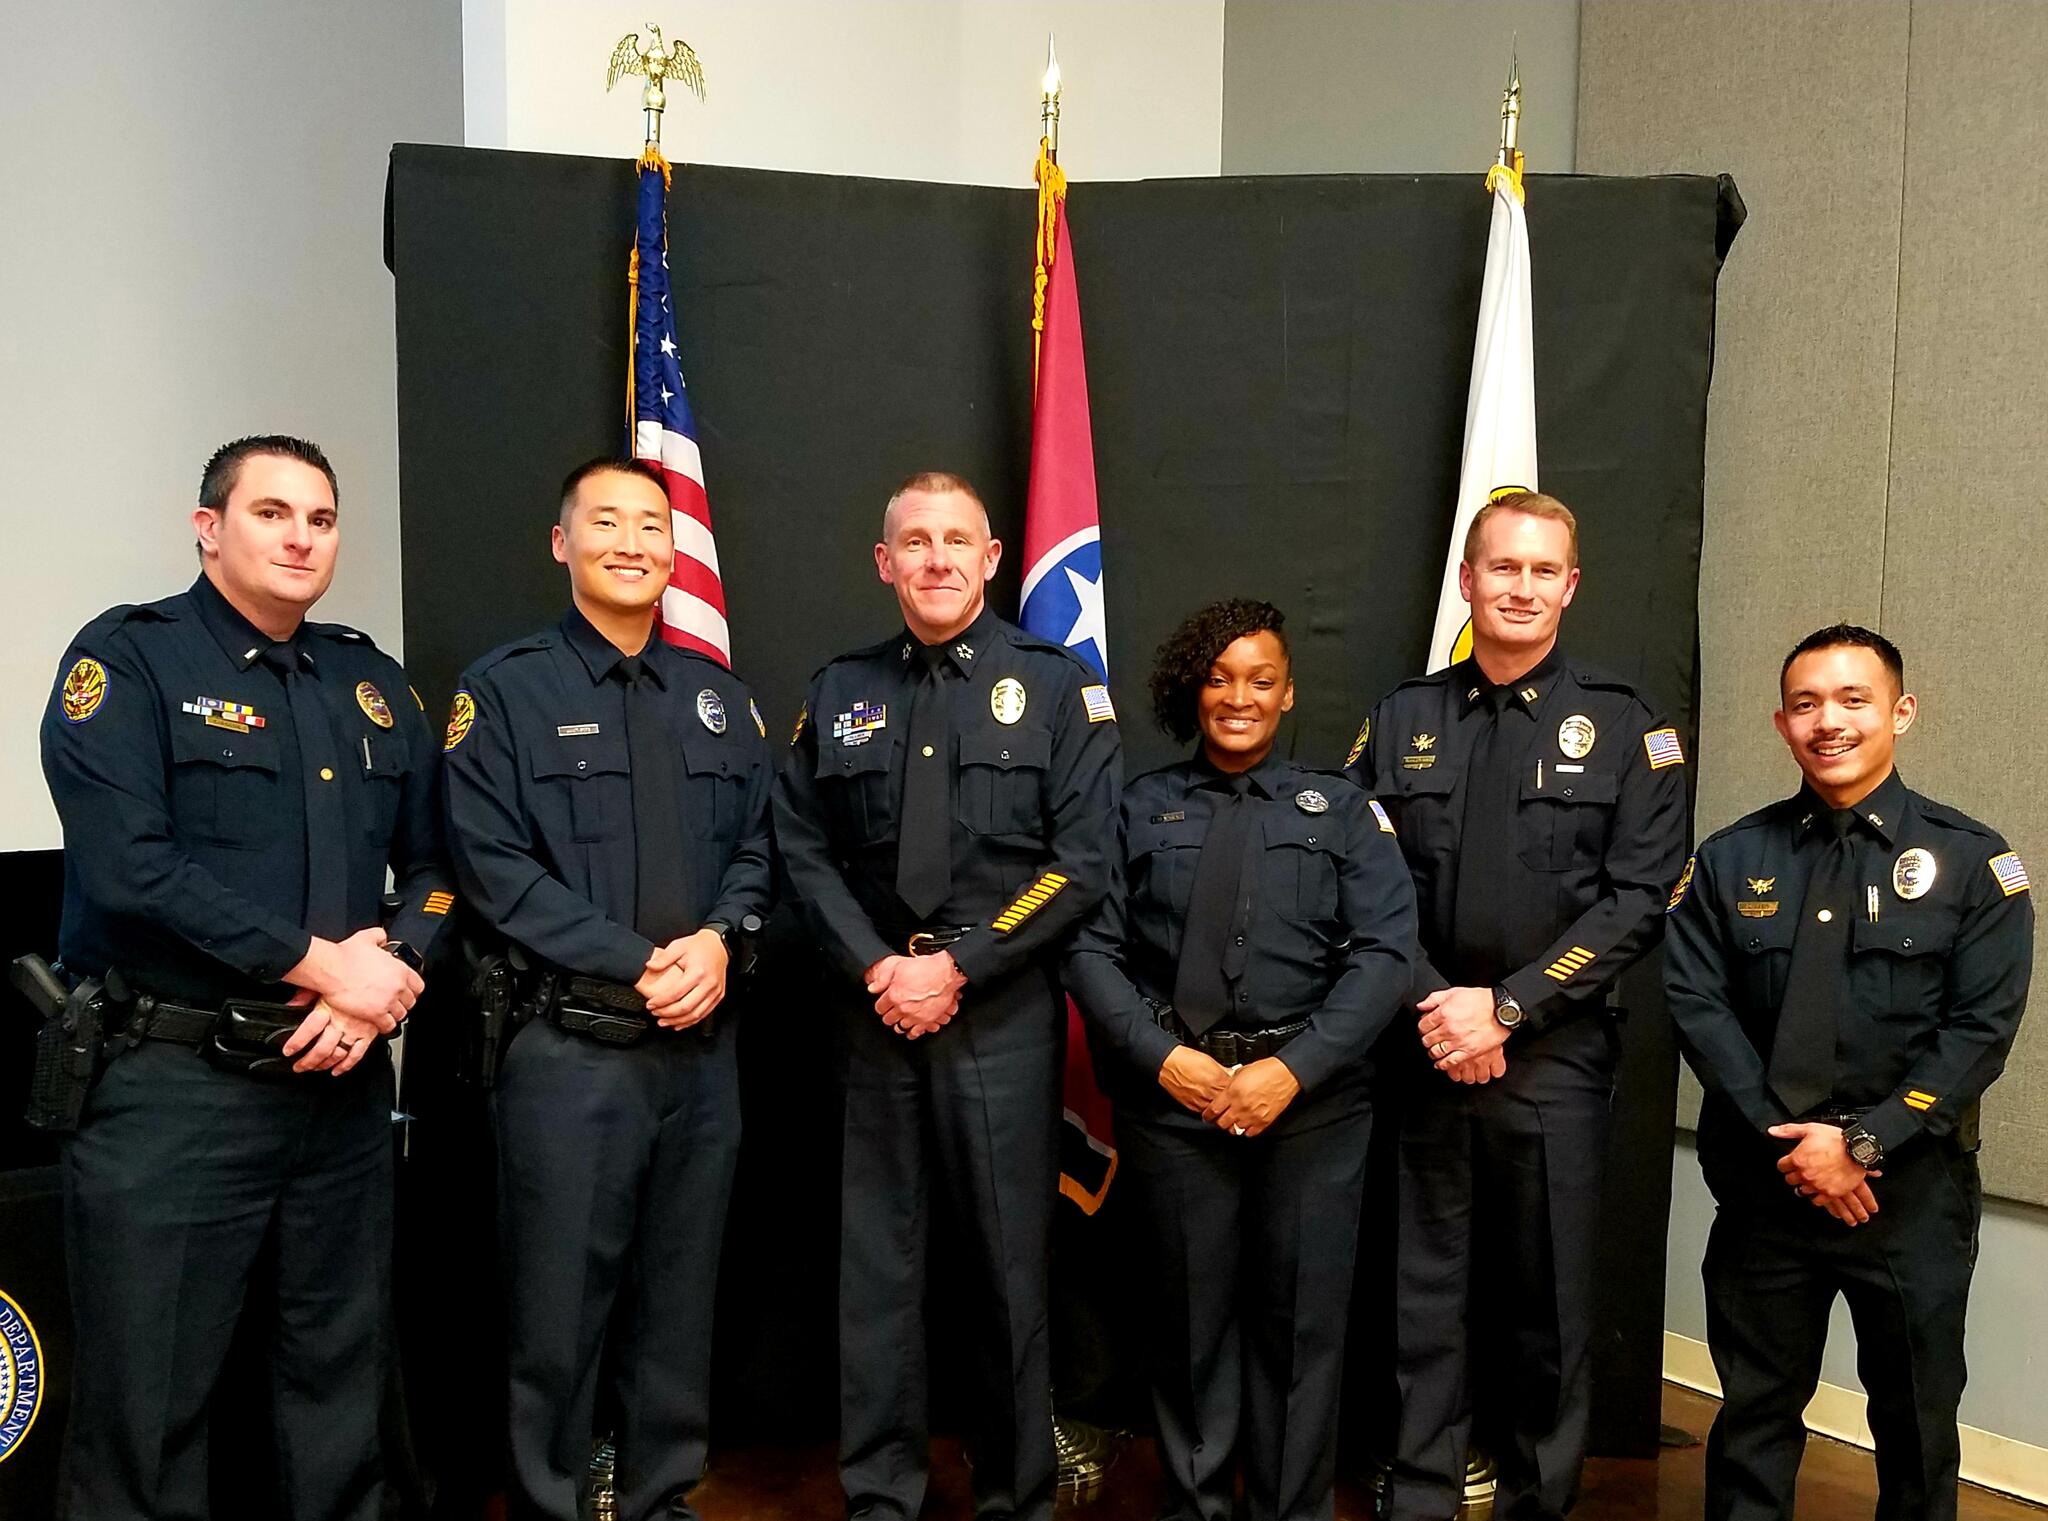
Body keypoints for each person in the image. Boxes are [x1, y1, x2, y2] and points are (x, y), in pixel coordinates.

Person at [38, 434, 451, 1520]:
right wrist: (325, 967)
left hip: (338, 1091)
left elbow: (441, 872)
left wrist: (393, 968)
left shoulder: (368, 680)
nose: (301, 537)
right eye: (272, 513)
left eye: (319, 519)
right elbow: (131, 868)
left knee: (335, 1399)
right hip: (176, 1092)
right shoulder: (128, 661)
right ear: (209, 527)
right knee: (149, 1414)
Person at [772, 470, 1121, 1521]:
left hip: (999, 1015)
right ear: (884, 563)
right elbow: (800, 847)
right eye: (912, 542)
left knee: (1008, 1270)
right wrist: (879, 965)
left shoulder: (1056, 689)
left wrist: (958, 967)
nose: (934, 559)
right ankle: (881, 1491)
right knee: (874, 1270)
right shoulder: (838, 691)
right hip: (873, 1013)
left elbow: (1082, 861)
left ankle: (1015, 1489)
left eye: (954, 541)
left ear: (991, 557)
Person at [1343, 490, 1689, 1521]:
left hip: (1553, 1059)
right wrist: (1437, 1007)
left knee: (1544, 1311)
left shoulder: (1629, 727)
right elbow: (1359, 881)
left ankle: (1541, 1500)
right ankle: (1420, 1496)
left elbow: (1641, 894)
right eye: (1502, 567)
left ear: (1570, 586)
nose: (1521, 587)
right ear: (1467, 579)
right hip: (1422, 1047)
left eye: (1543, 571)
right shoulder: (1400, 719)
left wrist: (1503, 1008)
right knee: (1422, 1298)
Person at [440, 457, 773, 1521]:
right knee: (556, 1316)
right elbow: (490, 870)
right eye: (607, 523)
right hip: (568, 1054)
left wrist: (720, 942)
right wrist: (638, 961)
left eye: (650, 526)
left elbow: (761, 851)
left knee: (677, 1308)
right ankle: (547, 1505)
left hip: (698, 1055)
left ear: (674, 552)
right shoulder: (503, 691)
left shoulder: (720, 700)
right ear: (561, 542)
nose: (632, 543)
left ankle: (660, 1501)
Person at [1664, 624, 2032, 1521]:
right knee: (1753, 1415)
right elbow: (1696, 1005)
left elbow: (1979, 1032)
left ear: (1900, 712)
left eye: (1853, 699)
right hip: (1765, 1188)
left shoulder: (1975, 863)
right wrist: (1792, 1144)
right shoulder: (1728, 859)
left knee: (1915, 1424)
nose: (1829, 720)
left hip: (1907, 1196)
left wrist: (1863, 1142)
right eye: (1806, 703)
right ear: (1782, 723)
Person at [1066, 599, 1417, 1521]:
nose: (1239, 697)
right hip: (1174, 1101)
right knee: (1188, 1329)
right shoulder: (1136, 808)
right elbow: (1088, 950)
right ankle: (1197, 1509)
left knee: (1301, 1329)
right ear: (1194, 688)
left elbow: (1386, 954)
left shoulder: (1342, 811)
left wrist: (1293, 1070)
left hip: (1313, 1104)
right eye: (1220, 678)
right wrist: (1161, 1059)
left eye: (1261, 679)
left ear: (1288, 690)